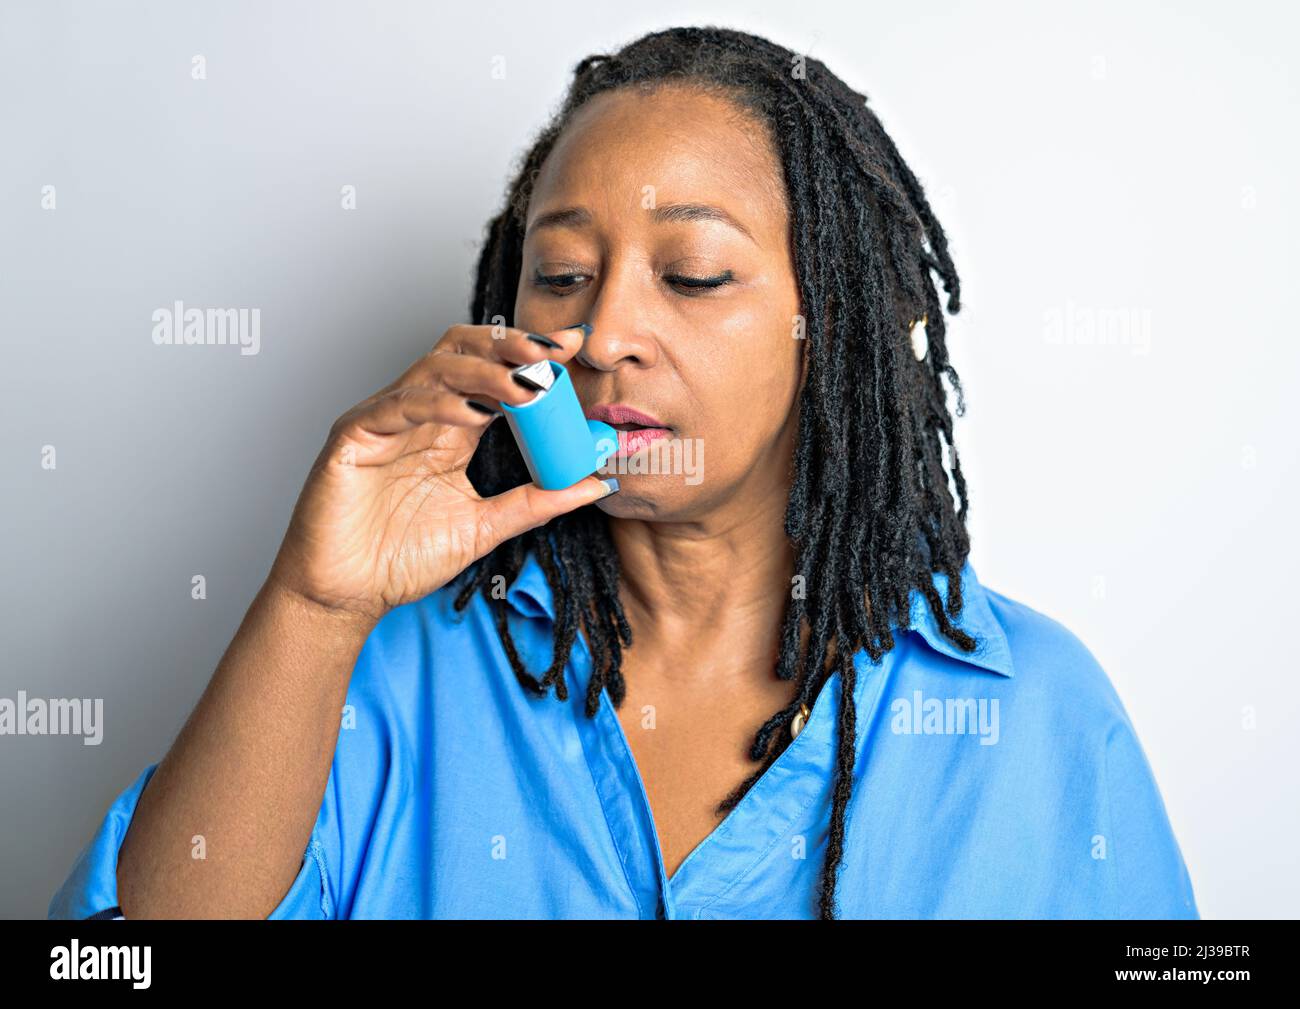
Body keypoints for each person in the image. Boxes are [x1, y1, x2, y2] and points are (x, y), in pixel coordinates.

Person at [49, 25, 1197, 920]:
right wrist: (313, 604)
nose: (602, 336)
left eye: (692, 274)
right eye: (558, 275)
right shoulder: (385, 677)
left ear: (833, 323)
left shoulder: (1033, 712)